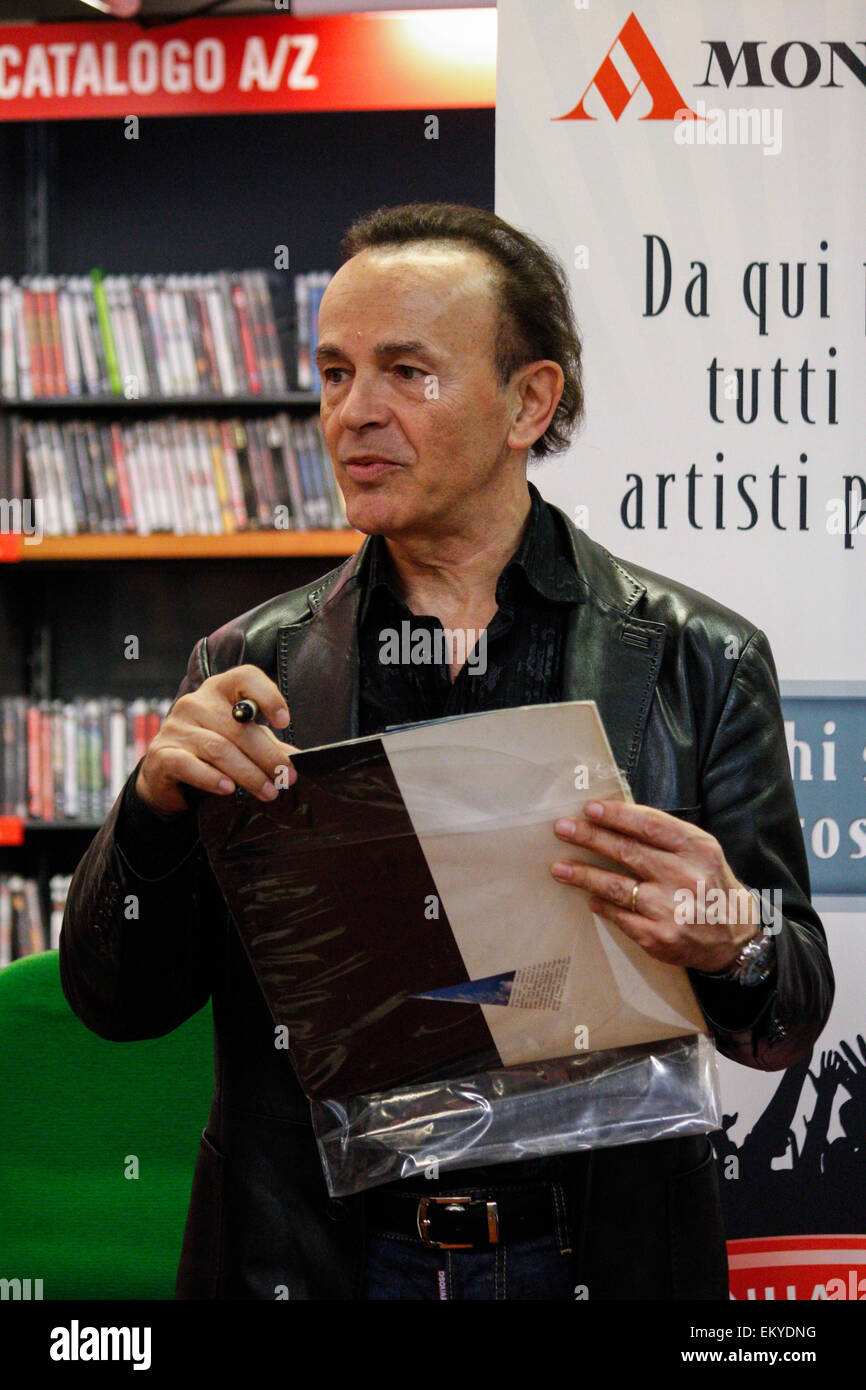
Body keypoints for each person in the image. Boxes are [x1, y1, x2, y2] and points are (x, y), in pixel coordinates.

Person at [60, 203, 833, 1301]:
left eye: (405, 373)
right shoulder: (247, 671)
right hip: (316, 1256)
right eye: (333, 374)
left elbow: (788, 1007)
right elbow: (117, 1002)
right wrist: (147, 815)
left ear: (529, 400)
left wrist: (727, 932)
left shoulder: (695, 659)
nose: (351, 415)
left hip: (595, 1256)